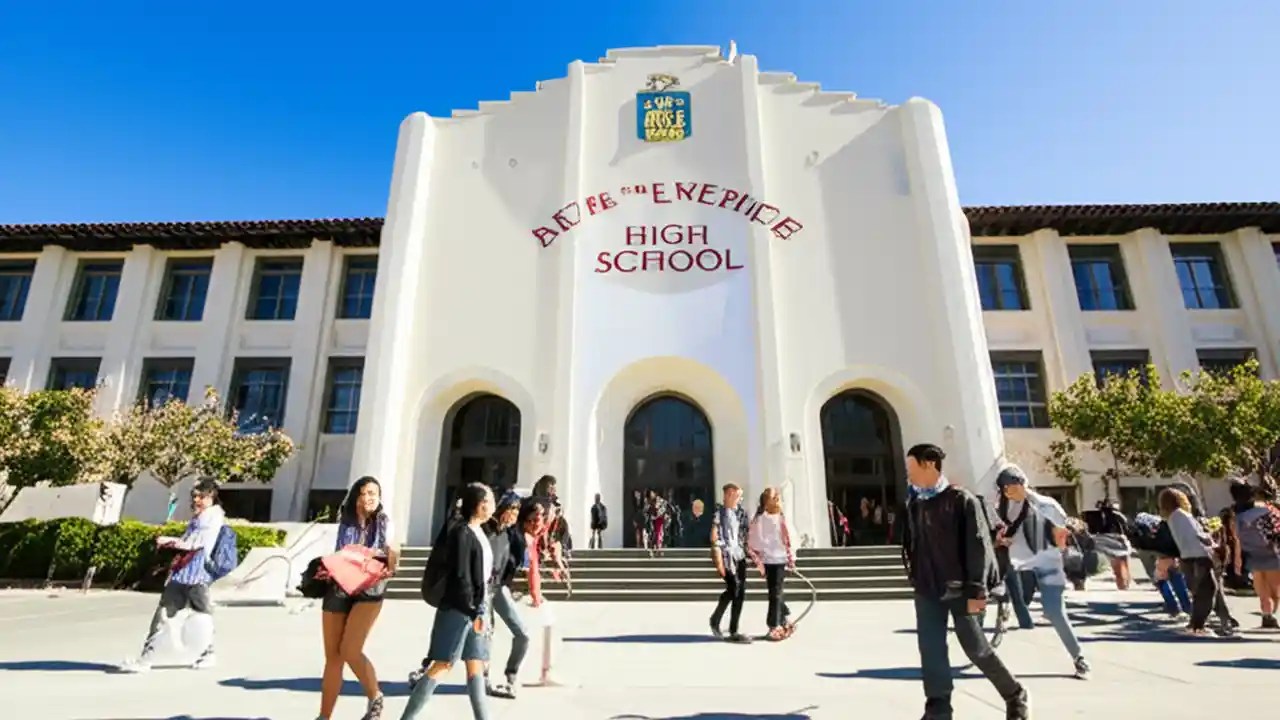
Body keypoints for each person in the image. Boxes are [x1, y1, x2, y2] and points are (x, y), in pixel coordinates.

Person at [902, 444, 1028, 720]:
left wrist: (977, 591)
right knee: (931, 649)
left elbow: (979, 547)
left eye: (912, 468)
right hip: (927, 587)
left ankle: (1014, 695)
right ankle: (938, 707)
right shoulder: (915, 502)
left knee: (976, 647)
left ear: (930, 465)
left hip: (965, 588)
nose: (908, 474)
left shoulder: (962, 500)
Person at [401, 482, 495, 720]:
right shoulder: (462, 533)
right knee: (443, 663)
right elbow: (462, 576)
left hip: (477, 607)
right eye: (488, 501)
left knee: (476, 665)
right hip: (460, 609)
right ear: (478, 504)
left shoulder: (480, 531)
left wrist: (480, 611)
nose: (491, 505)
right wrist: (472, 611)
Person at [311, 476, 399, 720]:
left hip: (369, 590)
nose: (370, 498)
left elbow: (392, 558)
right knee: (333, 657)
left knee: (350, 650)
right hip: (339, 587)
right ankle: (324, 716)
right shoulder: (345, 520)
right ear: (356, 497)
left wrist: (392, 557)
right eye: (365, 493)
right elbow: (337, 552)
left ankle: (375, 696)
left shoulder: (384, 523)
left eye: (374, 493)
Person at [121, 477, 226, 673]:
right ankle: (146, 659)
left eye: (199, 497)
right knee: (164, 614)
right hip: (183, 575)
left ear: (210, 496)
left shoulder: (211, 517)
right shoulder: (201, 517)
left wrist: (169, 541)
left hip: (197, 577)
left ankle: (208, 653)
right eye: (193, 496)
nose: (195, 501)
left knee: (202, 617)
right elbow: (190, 541)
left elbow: (195, 544)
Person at [993, 466, 1090, 679]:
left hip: (1047, 561)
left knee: (1055, 611)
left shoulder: (1045, 504)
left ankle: (1078, 657)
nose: (1006, 493)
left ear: (1020, 484)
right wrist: (1002, 539)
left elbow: (1061, 530)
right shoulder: (1003, 506)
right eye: (1004, 489)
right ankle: (1004, 605)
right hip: (1018, 562)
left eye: (1008, 488)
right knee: (995, 584)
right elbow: (1000, 529)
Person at [1159, 487, 1237, 637]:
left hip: (1186, 557)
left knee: (1200, 592)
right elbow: (1197, 536)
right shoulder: (1183, 515)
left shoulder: (1171, 518)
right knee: (1207, 591)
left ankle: (1199, 623)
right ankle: (1198, 626)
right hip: (1200, 556)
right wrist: (1211, 537)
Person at [482, 492, 531, 698]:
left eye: (517, 511)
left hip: (500, 587)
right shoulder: (484, 530)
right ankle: (482, 679)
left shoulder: (509, 534)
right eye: (511, 509)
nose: (514, 514)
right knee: (485, 636)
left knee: (523, 633)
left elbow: (518, 559)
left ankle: (511, 674)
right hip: (481, 590)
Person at [1229, 480, 1280, 629]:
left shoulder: (1237, 516)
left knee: (1262, 590)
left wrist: (1237, 559)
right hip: (1271, 553)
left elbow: (1237, 539)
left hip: (1252, 554)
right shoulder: (1267, 510)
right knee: (1275, 590)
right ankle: (1271, 615)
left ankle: (1267, 615)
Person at [748, 486, 796, 641]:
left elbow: (787, 538)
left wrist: (790, 556)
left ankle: (784, 619)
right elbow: (755, 540)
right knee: (775, 592)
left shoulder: (780, 517)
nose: (777, 500)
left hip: (780, 559)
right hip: (770, 559)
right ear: (767, 502)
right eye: (774, 498)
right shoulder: (761, 519)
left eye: (778, 498)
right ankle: (774, 625)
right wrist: (764, 553)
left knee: (776, 591)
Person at [709, 483, 752, 643]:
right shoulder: (719, 513)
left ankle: (734, 630)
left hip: (739, 555)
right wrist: (718, 560)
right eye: (737, 495)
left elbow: (746, 533)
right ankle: (715, 619)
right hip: (726, 555)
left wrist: (752, 554)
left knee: (740, 592)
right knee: (734, 588)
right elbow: (714, 536)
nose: (739, 498)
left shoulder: (741, 513)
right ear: (728, 494)